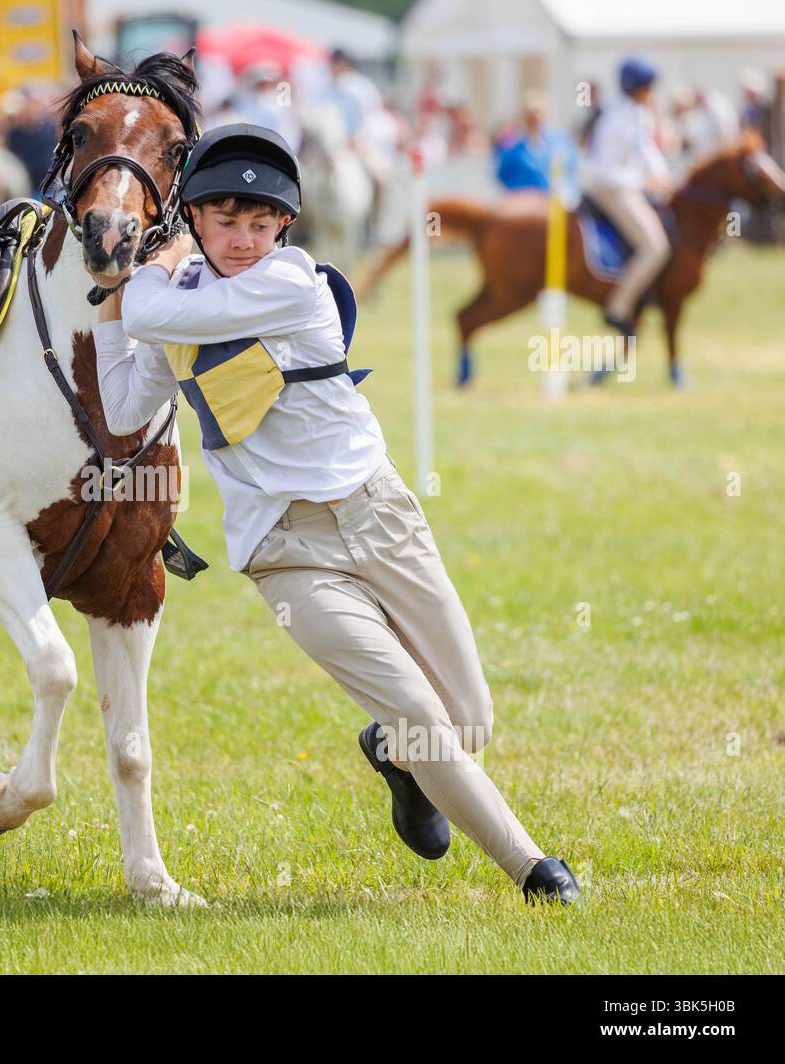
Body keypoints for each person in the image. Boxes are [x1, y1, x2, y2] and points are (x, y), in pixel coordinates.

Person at [92, 124, 581, 905]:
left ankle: (393, 757)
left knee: (470, 720)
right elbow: (122, 402)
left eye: (261, 223)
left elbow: (156, 311)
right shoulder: (174, 306)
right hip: (287, 554)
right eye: (225, 222)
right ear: (193, 217)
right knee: (423, 716)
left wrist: (143, 269)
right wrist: (116, 300)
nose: (245, 239)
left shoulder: (291, 282)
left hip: (379, 514)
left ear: (285, 225)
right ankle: (537, 873)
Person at [582, 56, 673, 336]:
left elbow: (647, 151)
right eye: (649, 87)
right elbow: (606, 171)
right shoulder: (616, 119)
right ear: (637, 88)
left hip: (630, 185)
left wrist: (664, 177)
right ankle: (618, 308)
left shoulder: (638, 113)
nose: (652, 93)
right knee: (655, 248)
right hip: (612, 189)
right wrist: (647, 183)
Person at [493, 90, 577, 194]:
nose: (535, 118)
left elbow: (569, 172)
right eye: (530, 115)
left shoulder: (560, 142)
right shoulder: (514, 150)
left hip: (555, 201)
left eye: (538, 112)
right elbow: (502, 175)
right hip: (526, 202)